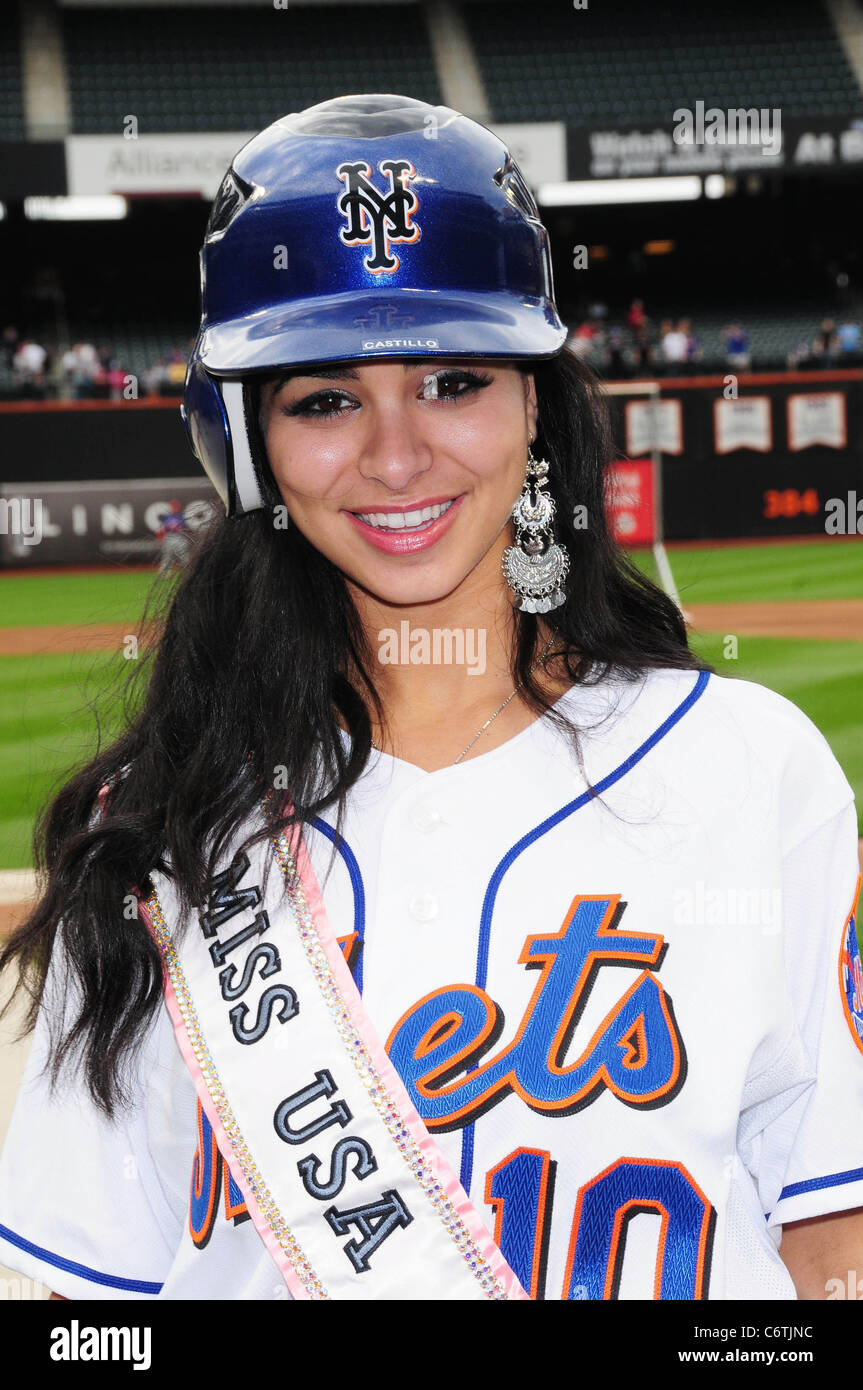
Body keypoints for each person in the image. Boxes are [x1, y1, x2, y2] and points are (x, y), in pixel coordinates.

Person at [0, 93, 861, 1303]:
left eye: (454, 378)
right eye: (324, 399)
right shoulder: (154, 833)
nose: (396, 456)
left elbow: (831, 1248)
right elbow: (88, 1310)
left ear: (534, 411)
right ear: (246, 444)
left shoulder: (749, 771)